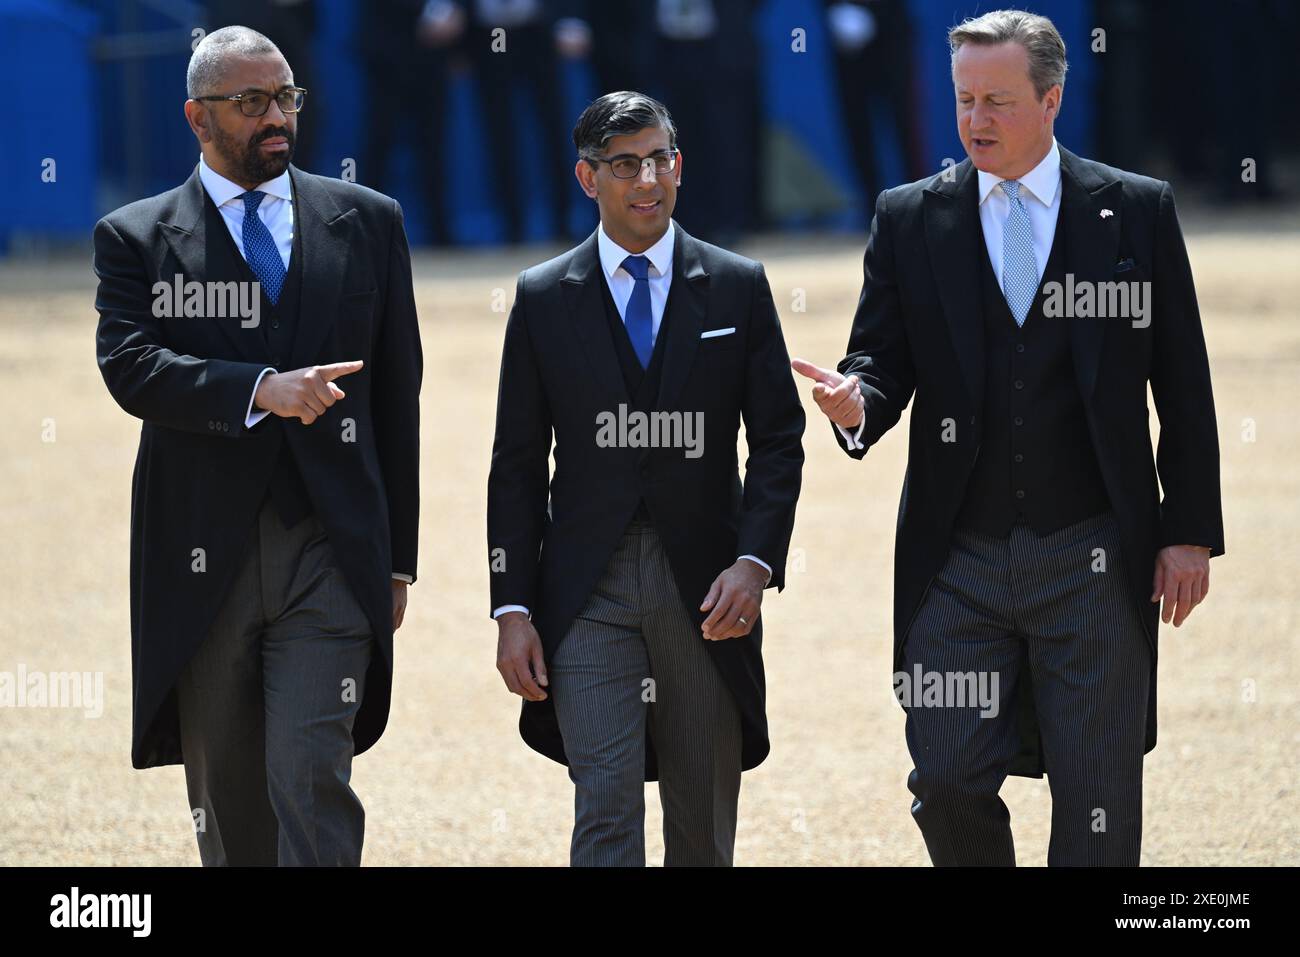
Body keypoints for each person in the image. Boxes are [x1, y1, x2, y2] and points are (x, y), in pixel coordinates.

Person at [794, 9, 1224, 866]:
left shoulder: (1135, 211)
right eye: (963, 100)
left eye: (996, 100)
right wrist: (857, 403)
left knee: (1098, 799)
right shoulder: (912, 217)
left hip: (1095, 552)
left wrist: (1188, 531)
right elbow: (879, 358)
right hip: (958, 559)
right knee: (946, 777)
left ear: (1052, 98)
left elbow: (1182, 380)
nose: (975, 120)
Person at [93, 26, 422, 866]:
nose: (276, 117)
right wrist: (257, 389)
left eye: (286, 98)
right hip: (202, 555)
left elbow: (396, 397)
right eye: (251, 104)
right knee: (230, 797)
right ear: (198, 120)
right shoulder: (135, 237)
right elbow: (133, 368)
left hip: (331, 547)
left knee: (311, 773)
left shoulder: (369, 221)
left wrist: (397, 559)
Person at [487, 91, 805, 866]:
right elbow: (518, 464)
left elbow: (778, 439)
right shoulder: (540, 298)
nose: (647, 178)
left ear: (680, 165)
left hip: (705, 589)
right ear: (587, 178)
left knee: (700, 825)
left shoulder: (737, 285)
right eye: (625, 164)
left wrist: (754, 564)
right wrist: (512, 606)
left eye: (659, 158)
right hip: (585, 590)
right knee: (604, 810)